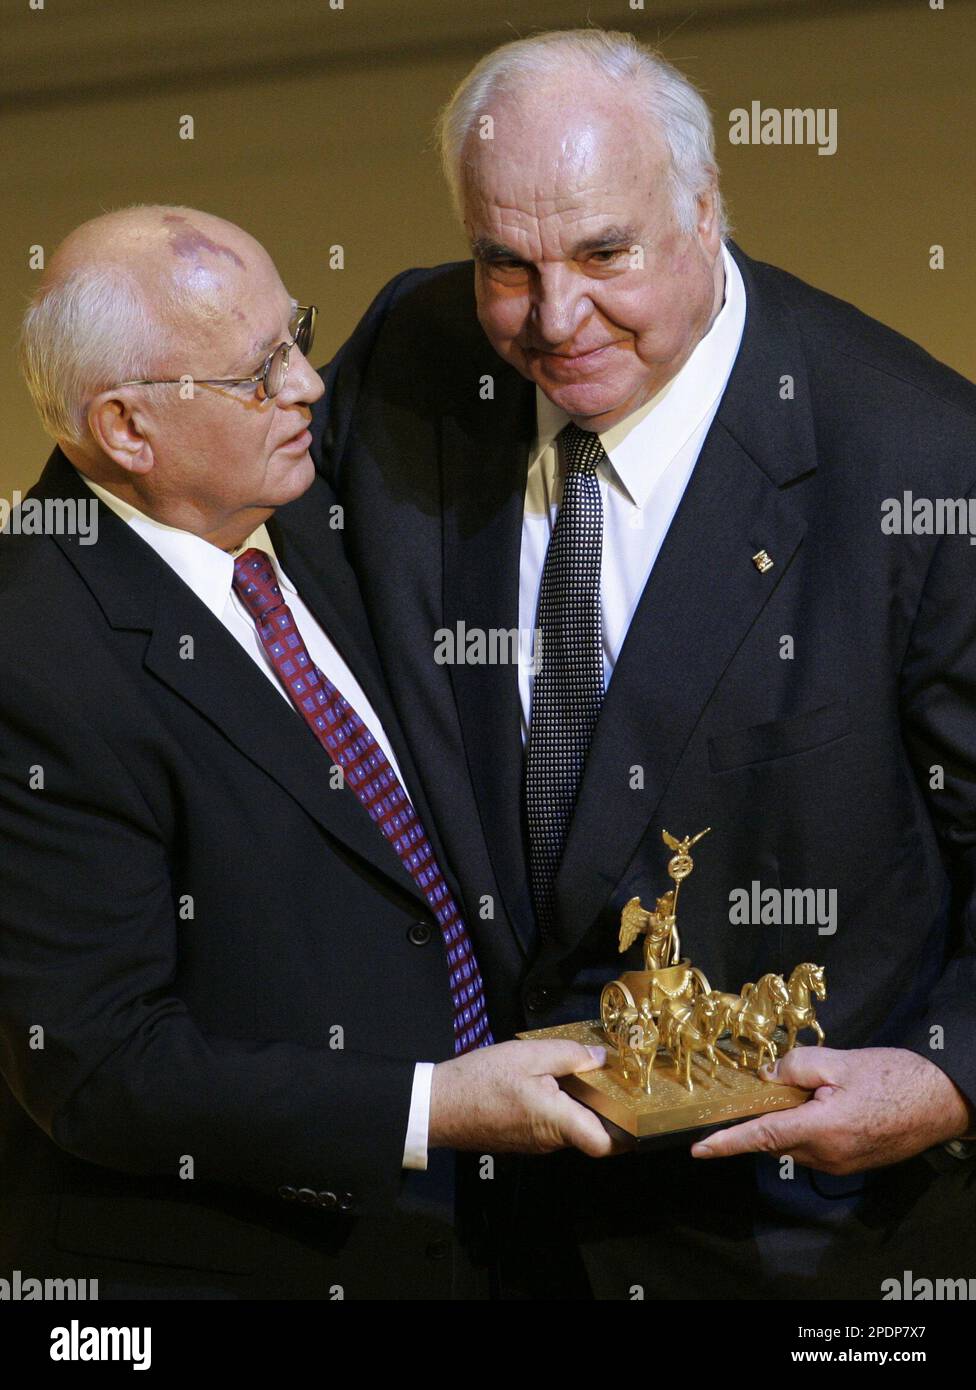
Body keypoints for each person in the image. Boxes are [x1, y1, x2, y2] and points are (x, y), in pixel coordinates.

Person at [311, 29, 976, 1298]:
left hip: (790, 1242)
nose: (555, 321)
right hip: (463, 1229)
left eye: (605, 253)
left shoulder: (923, 468)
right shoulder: (413, 349)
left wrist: (946, 1079)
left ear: (707, 208)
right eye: (506, 263)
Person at [0, 205, 612, 1301]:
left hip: (479, 1246)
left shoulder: (309, 508)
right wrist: (429, 1107)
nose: (307, 388)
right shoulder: (33, 658)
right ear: (128, 429)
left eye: (298, 334)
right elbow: (96, 1067)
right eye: (256, 372)